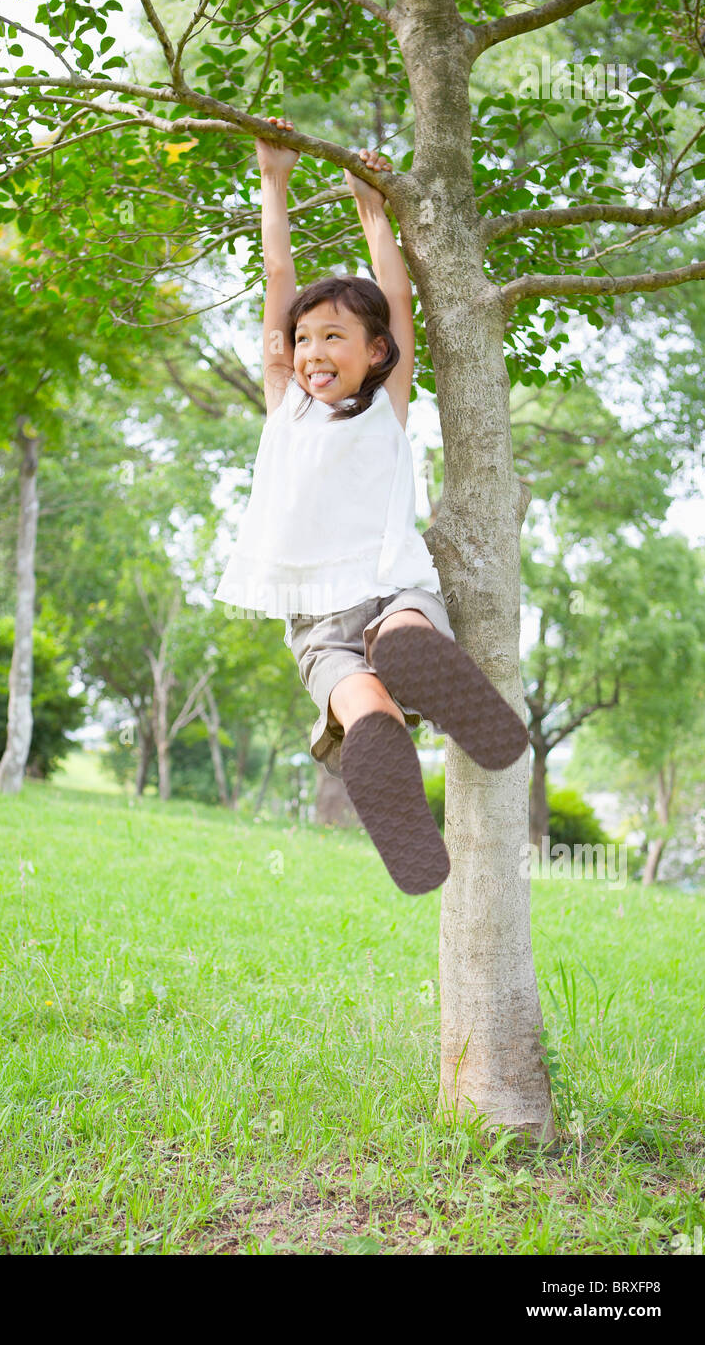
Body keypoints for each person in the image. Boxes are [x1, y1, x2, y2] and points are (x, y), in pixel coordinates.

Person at [214, 116, 528, 894]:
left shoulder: (388, 400)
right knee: (367, 704)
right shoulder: (285, 401)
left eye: (335, 338)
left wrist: (373, 211)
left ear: (377, 353)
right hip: (324, 607)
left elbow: (395, 297)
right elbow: (277, 278)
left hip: (388, 582)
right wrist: (272, 182)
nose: (314, 352)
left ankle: (404, 670)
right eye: (304, 339)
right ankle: (387, 743)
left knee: (396, 641)